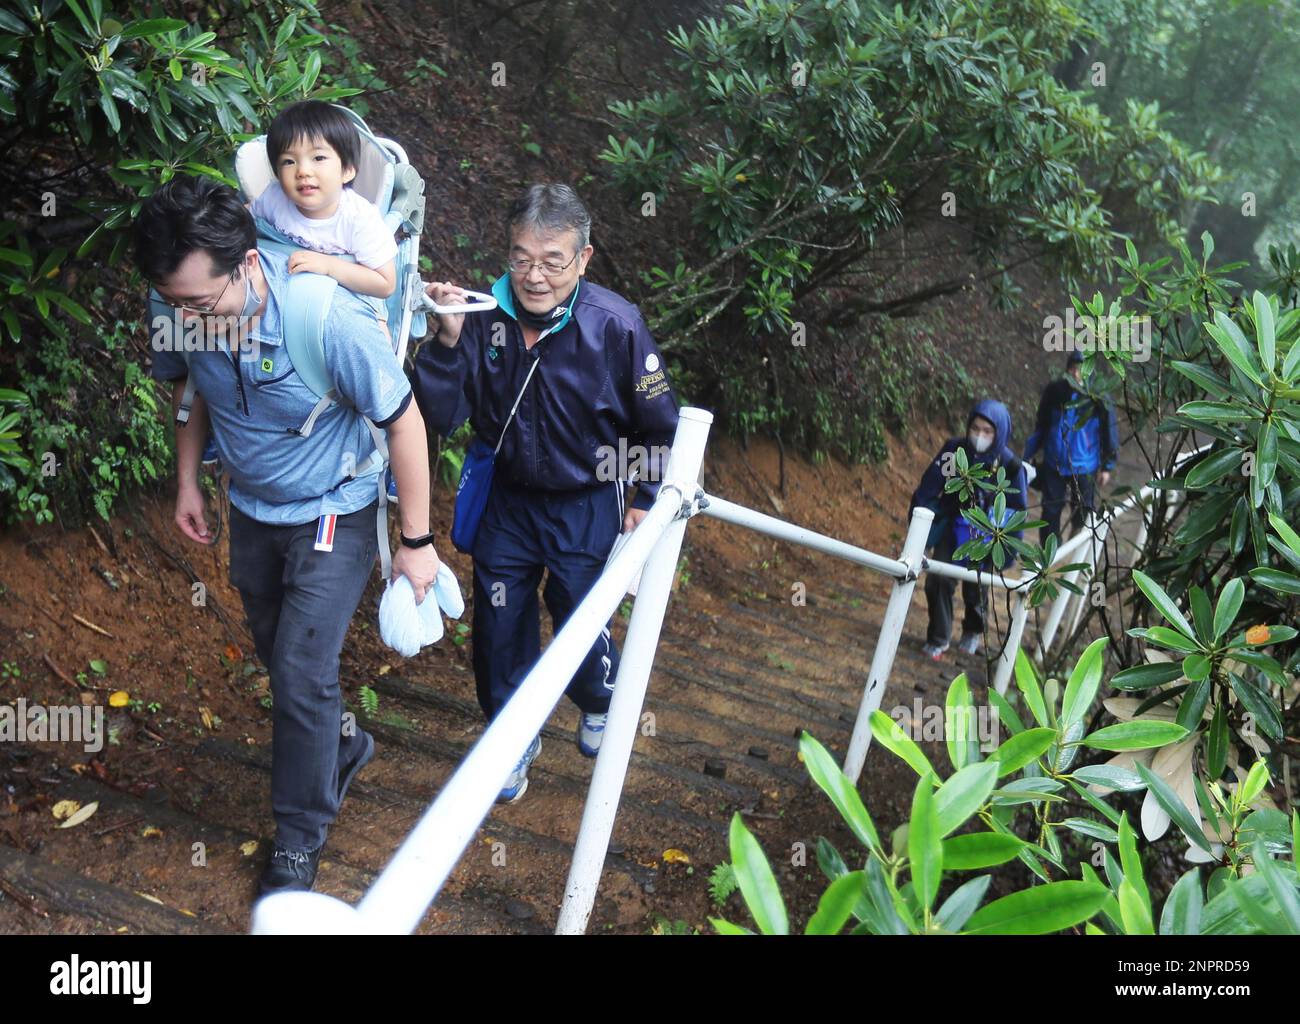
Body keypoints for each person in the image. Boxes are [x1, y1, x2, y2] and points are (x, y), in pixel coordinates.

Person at [135, 175, 440, 897]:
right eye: (174, 304)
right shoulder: (176, 299)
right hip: (255, 508)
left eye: (199, 304)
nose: (188, 318)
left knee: (301, 674)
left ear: (244, 264)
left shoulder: (325, 315)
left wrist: (417, 541)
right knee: (282, 660)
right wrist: (188, 480)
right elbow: (191, 391)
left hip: (333, 503)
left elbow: (404, 421)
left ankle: (299, 841)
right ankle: (343, 744)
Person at [412, 183, 679, 803]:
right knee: (499, 625)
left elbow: (658, 424)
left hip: (587, 502)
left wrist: (642, 499)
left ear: (583, 259)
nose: (534, 276)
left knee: (579, 616)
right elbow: (443, 415)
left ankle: (595, 696)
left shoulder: (615, 325)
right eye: (521, 258)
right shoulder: (482, 317)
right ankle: (510, 739)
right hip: (508, 501)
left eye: (552, 260)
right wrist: (449, 343)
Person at [909, 399, 1027, 660]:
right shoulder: (954, 451)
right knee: (938, 580)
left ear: (999, 433)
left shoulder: (1010, 466)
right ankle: (939, 637)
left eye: (987, 431)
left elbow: (1018, 510)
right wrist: (919, 534)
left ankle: (973, 631)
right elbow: (929, 488)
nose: (980, 436)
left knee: (976, 589)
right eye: (975, 428)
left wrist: (1004, 551)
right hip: (953, 528)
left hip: (986, 537)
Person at [250, 100, 397, 302]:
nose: (303, 171)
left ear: (347, 171)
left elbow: (385, 284)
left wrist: (328, 266)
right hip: (284, 292)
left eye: (318, 158)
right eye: (289, 161)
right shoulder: (274, 199)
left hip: (349, 297)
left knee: (378, 329)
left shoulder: (359, 218)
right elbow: (243, 219)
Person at [1023, 351, 1119, 546]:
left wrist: (1107, 466)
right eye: (1073, 368)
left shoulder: (1100, 397)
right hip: (1055, 463)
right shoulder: (1055, 391)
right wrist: (1029, 454)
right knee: (1050, 510)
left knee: (1083, 510)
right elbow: (1042, 425)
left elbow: (1109, 432)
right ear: (1067, 369)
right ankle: (1050, 552)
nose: (1076, 374)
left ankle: (1073, 545)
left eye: (1081, 369)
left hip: (1085, 465)